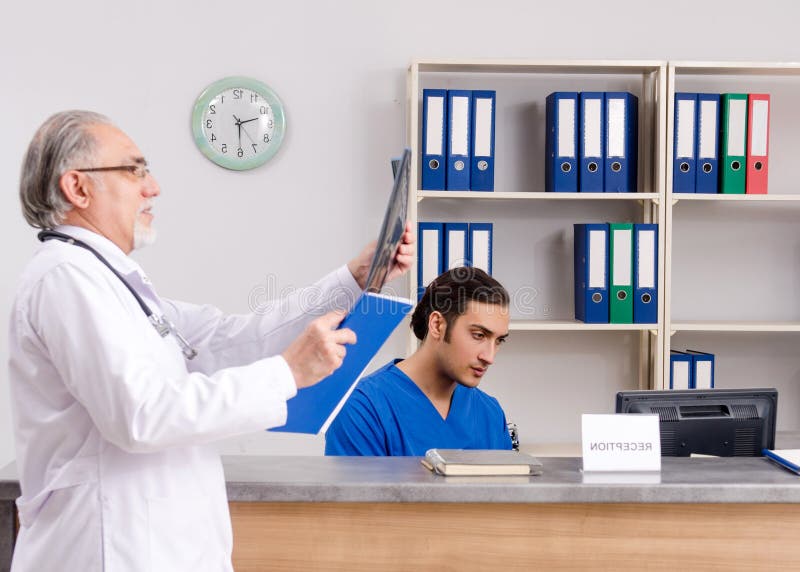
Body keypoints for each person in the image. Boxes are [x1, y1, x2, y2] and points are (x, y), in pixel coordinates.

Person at [8, 110, 414, 571]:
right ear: (78, 188)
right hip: (108, 549)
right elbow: (140, 415)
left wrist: (352, 281)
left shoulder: (112, 282)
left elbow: (234, 338)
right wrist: (287, 372)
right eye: (134, 169)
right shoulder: (66, 278)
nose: (152, 187)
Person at [325, 267, 512, 456]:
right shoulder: (363, 409)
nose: (489, 357)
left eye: (499, 341)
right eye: (479, 335)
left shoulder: (491, 415)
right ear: (437, 325)